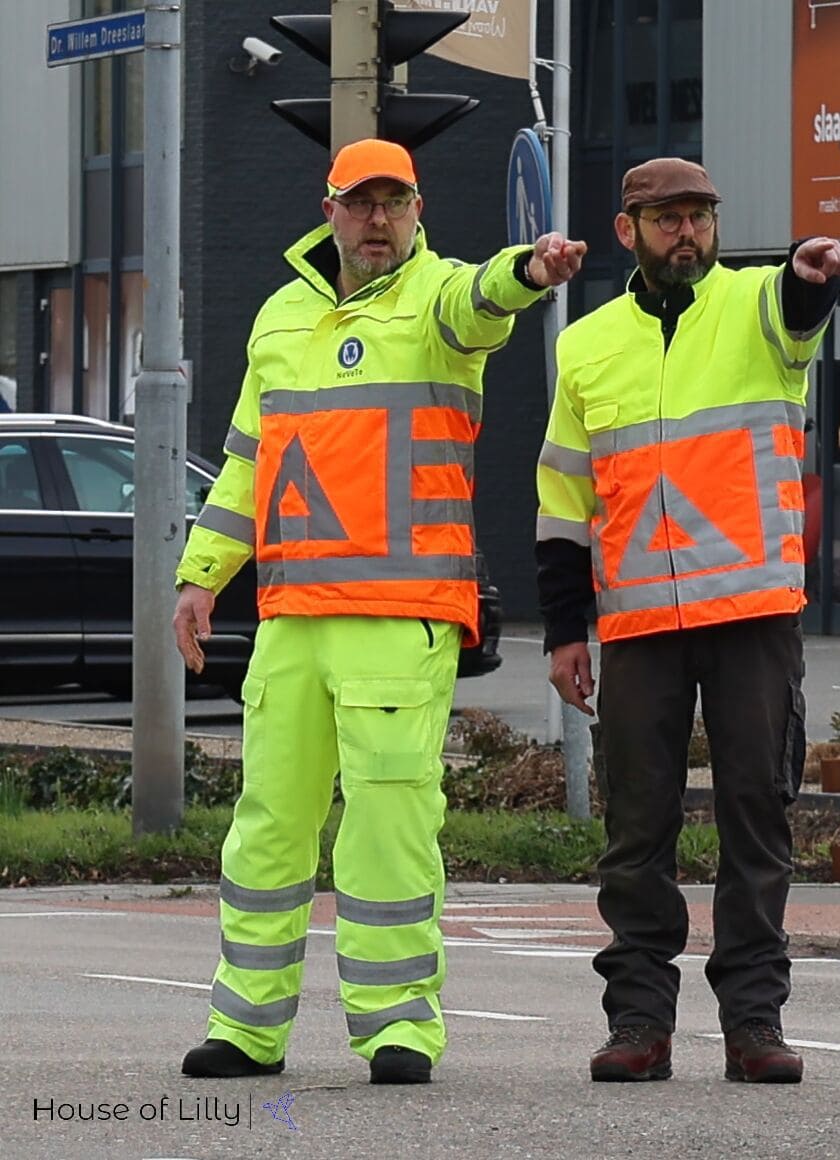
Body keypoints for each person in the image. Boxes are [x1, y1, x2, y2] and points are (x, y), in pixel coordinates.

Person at [174, 138, 586, 1085]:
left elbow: (483, 298)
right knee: (266, 824)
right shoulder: (280, 317)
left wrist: (528, 271)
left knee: (388, 827)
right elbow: (246, 462)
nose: (376, 220)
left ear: (416, 211)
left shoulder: (437, 300)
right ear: (328, 211)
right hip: (290, 616)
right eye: (359, 203)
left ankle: (398, 1028)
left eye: (393, 203)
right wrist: (201, 576)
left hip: (400, 615)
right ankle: (245, 1028)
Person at [535, 157, 840, 1085]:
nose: (687, 233)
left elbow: (796, 308)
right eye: (667, 219)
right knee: (636, 833)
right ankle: (638, 1020)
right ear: (627, 230)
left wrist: (810, 272)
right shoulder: (586, 345)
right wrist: (564, 631)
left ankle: (753, 1023)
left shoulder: (756, 306)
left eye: (699, 218)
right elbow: (563, 501)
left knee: (757, 818)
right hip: (638, 625)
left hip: (752, 613)